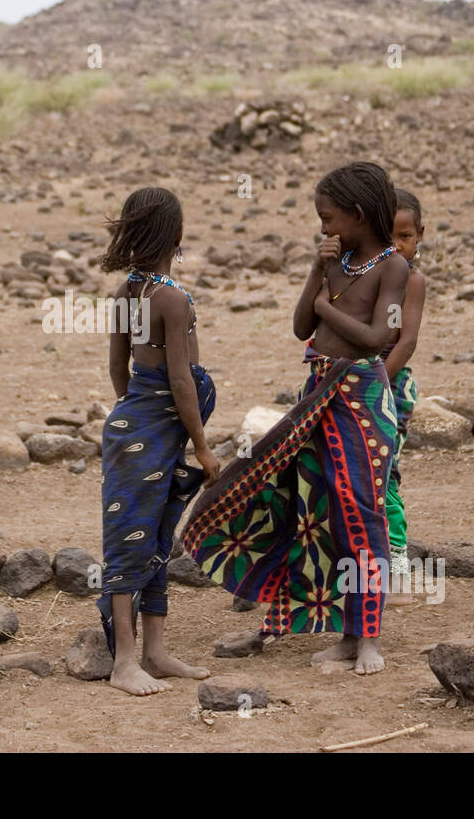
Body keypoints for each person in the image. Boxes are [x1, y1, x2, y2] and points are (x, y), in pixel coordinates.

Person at [181, 162, 407, 676]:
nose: (323, 227)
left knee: (361, 511)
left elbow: (378, 339)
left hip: (362, 397)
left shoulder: (394, 268)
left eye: (328, 218)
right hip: (320, 390)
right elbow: (301, 324)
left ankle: (368, 635)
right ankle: (344, 635)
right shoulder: (337, 260)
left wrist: (327, 307)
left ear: (356, 212)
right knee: (316, 507)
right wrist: (315, 271)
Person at [96, 187, 221, 696]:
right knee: (131, 541)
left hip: (138, 430)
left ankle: (155, 651)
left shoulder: (128, 294)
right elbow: (182, 380)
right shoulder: (171, 298)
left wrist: (135, 417)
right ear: (177, 236)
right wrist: (201, 445)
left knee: (153, 538)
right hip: (156, 435)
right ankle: (125, 661)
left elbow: (117, 367)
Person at [383, 189, 427, 604]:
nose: (396, 246)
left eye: (405, 236)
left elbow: (406, 342)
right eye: (388, 236)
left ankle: (397, 573)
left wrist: (375, 382)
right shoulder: (366, 276)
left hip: (389, 389)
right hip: (354, 385)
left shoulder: (412, 281)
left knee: (385, 480)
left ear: (420, 236)